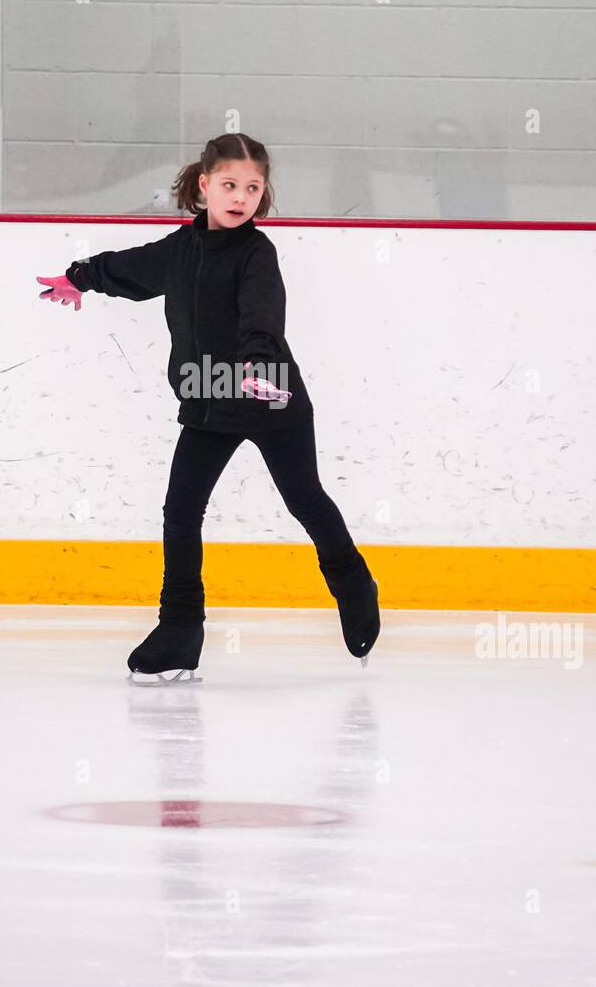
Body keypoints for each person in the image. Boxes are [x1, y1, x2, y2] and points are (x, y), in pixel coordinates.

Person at [37, 132, 380, 684]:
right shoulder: (182, 248)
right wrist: (80, 276)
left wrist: (256, 367)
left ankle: (353, 582)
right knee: (181, 511)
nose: (240, 196)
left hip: (269, 398)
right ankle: (179, 631)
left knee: (305, 499)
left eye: (252, 187)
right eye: (229, 184)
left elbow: (261, 315)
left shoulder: (257, 254)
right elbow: (132, 267)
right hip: (208, 398)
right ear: (204, 184)